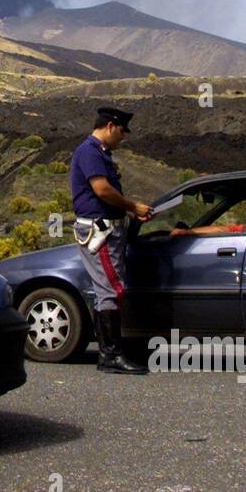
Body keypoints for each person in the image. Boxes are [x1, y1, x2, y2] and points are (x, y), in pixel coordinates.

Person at [69, 106, 152, 374]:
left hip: (108, 227)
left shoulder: (100, 153)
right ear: (111, 126)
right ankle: (111, 355)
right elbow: (101, 189)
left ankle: (111, 352)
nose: (123, 136)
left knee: (109, 288)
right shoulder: (90, 152)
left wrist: (127, 209)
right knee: (111, 289)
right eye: (122, 131)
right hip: (100, 229)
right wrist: (132, 205)